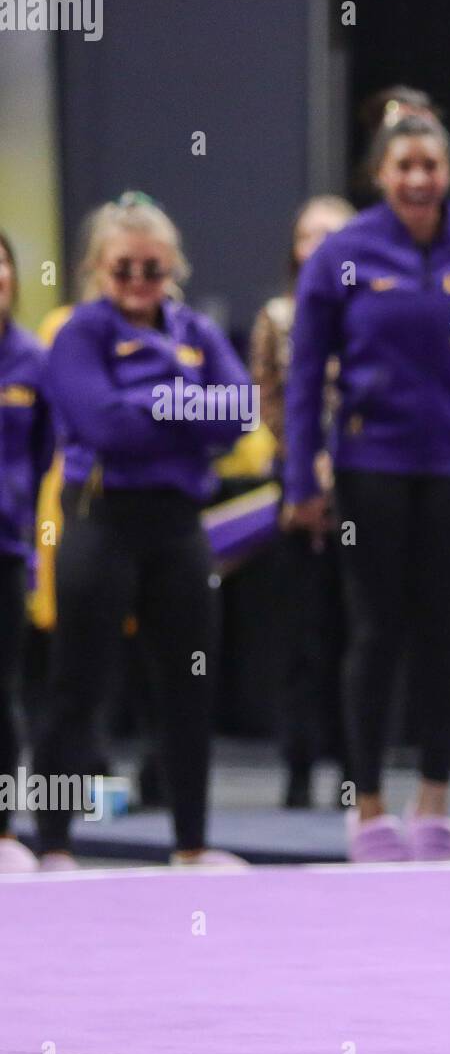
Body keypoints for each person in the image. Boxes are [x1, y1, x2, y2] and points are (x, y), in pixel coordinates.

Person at [282, 114, 450, 862]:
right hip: (370, 471)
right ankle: (368, 808)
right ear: (380, 176)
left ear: (448, 170)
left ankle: (433, 800)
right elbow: (303, 377)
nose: (418, 178)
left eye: (430, 164)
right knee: (375, 634)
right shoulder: (343, 253)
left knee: (441, 637)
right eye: (404, 167)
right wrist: (301, 477)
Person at [34, 192, 255, 868]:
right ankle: (54, 844)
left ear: (174, 270)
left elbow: (239, 409)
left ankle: (190, 843)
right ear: (97, 270)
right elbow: (100, 424)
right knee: (78, 685)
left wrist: (147, 401)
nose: (138, 283)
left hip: (178, 528)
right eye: (124, 268)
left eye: (153, 270)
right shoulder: (78, 332)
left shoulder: (195, 330)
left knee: (188, 683)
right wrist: (182, 402)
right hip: (102, 524)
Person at [249, 195, 355, 808]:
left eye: (333, 235)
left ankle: (352, 768)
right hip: (297, 488)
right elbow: (267, 396)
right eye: (310, 235)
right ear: (295, 247)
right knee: (299, 638)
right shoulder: (277, 315)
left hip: (365, 486)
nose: (320, 245)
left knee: (355, 634)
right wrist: (302, 467)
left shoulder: (370, 310)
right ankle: (295, 769)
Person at [0, 231, 53, 873]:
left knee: (2, 694)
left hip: (6, 548)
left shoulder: (33, 362)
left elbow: (42, 459)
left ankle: (4, 830)